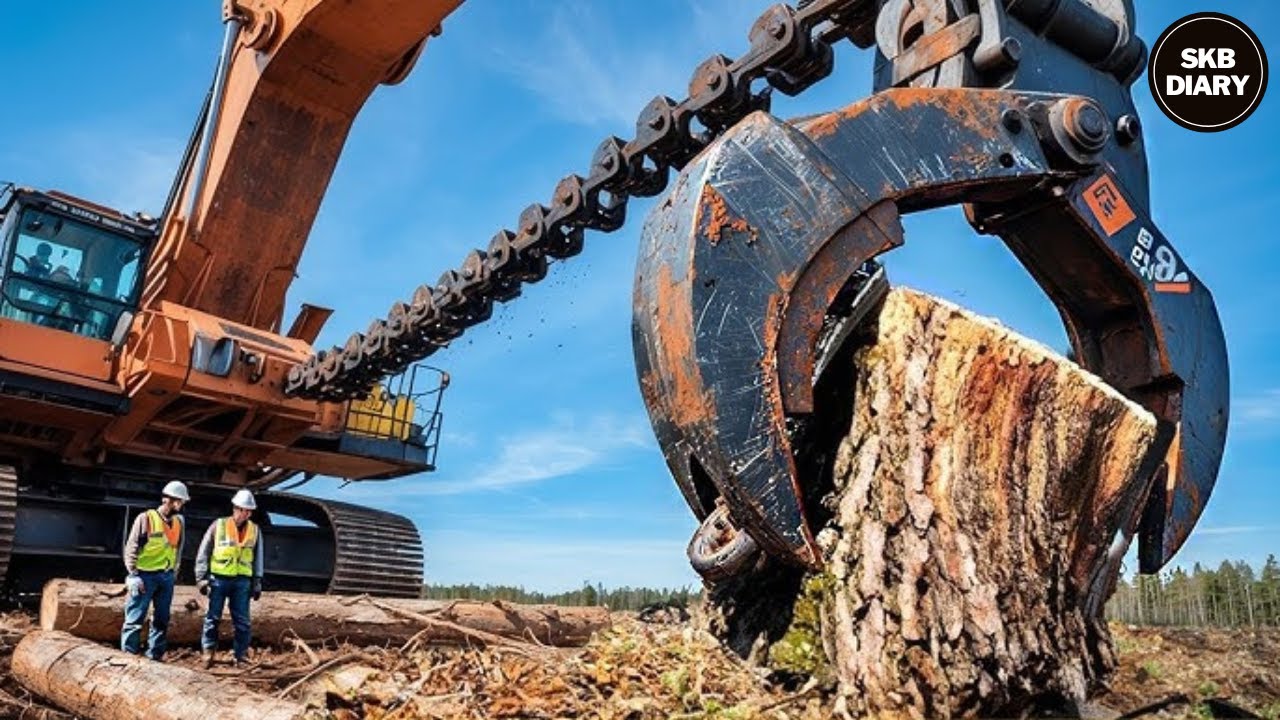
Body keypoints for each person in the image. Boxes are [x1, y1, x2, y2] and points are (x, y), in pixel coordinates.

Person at [120, 481, 189, 661]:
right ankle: (128, 658)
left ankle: (154, 657)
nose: (181, 505)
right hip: (144, 576)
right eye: (180, 501)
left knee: (161, 620)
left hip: (165, 577)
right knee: (134, 620)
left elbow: (177, 549)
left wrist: (173, 572)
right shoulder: (146, 518)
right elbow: (131, 548)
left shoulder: (178, 522)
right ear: (170, 500)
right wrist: (133, 574)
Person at [195, 489, 264, 668]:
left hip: (242, 582)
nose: (246, 514)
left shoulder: (254, 531)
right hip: (219, 579)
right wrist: (201, 578)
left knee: (242, 621)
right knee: (213, 618)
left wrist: (257, 581)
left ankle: (240, 656)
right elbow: (204, 552)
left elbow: (258, 557)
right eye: (244, 510)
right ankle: (208, 652)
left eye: (249, 511)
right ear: (236, 508)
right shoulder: (218, 526)